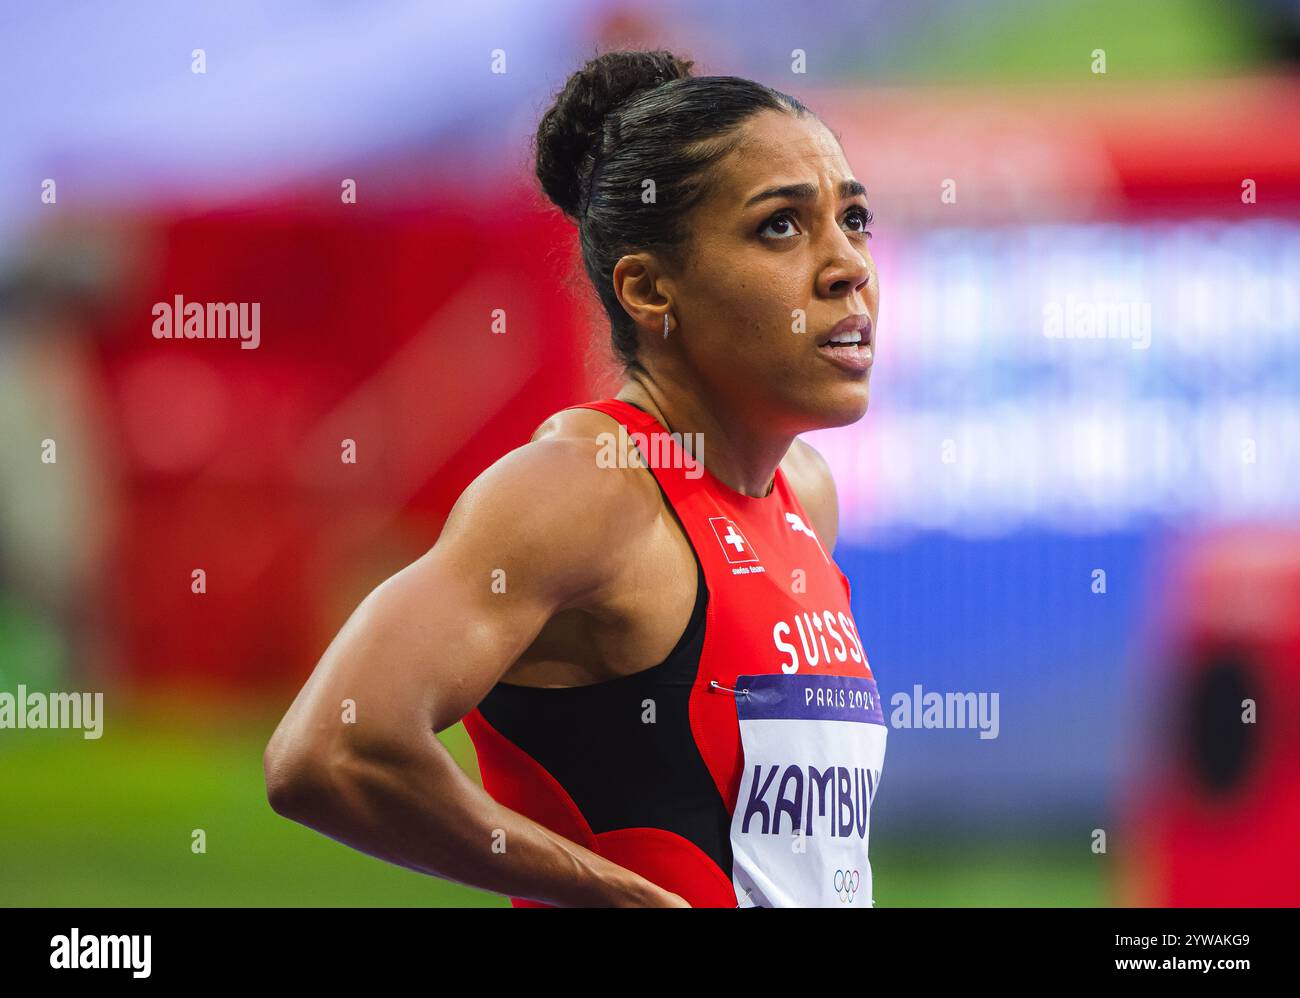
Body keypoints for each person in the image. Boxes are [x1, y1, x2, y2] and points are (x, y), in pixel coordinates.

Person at [264, 48, 884, 908]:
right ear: (647, 288)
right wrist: (618, 897)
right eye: (780, 225)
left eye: (854, 220)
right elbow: (328, 753)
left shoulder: (804, 499)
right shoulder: (584, 490)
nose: (846, 265)